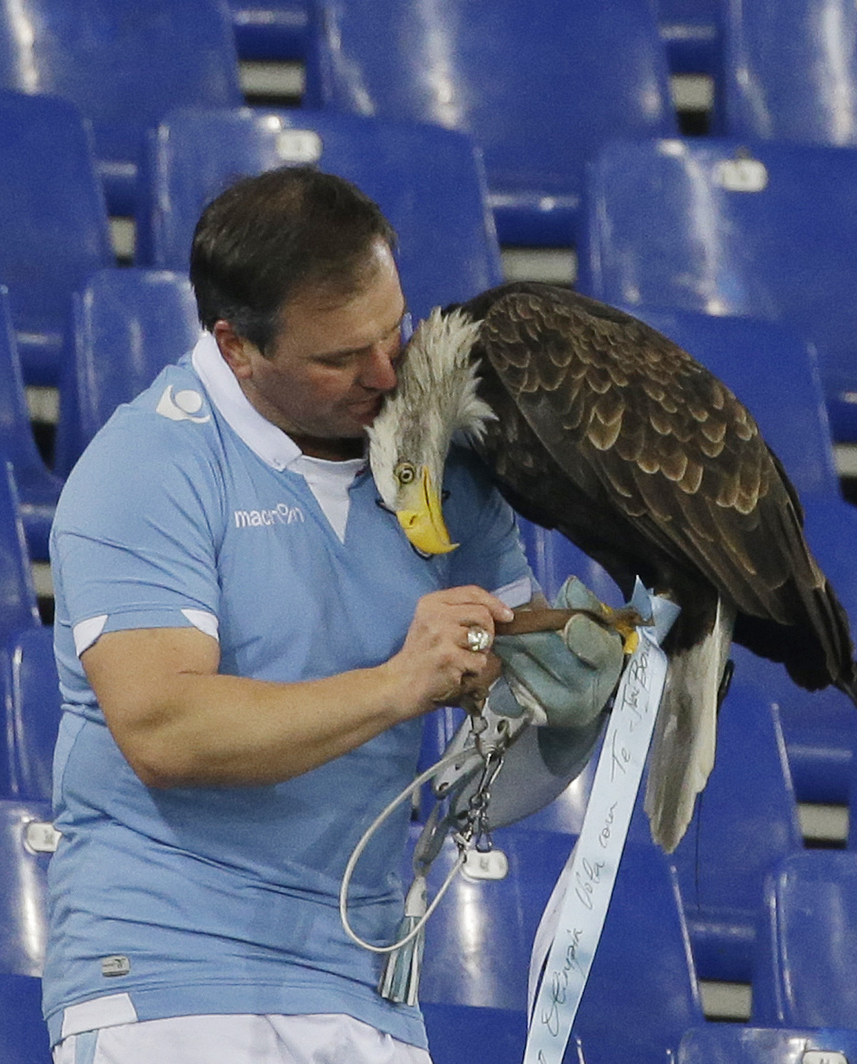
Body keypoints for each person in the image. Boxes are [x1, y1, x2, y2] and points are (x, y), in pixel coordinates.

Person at [42, 166, 590, 1063]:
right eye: (340, 358)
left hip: (365, 983)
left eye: (394, 331)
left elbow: (488, 777)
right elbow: (165, 731)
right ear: (236, 348)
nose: (386, 373)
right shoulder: (149, 463)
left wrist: (566, 715)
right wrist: (397, 686)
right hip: (167, 976)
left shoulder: (444, 466)